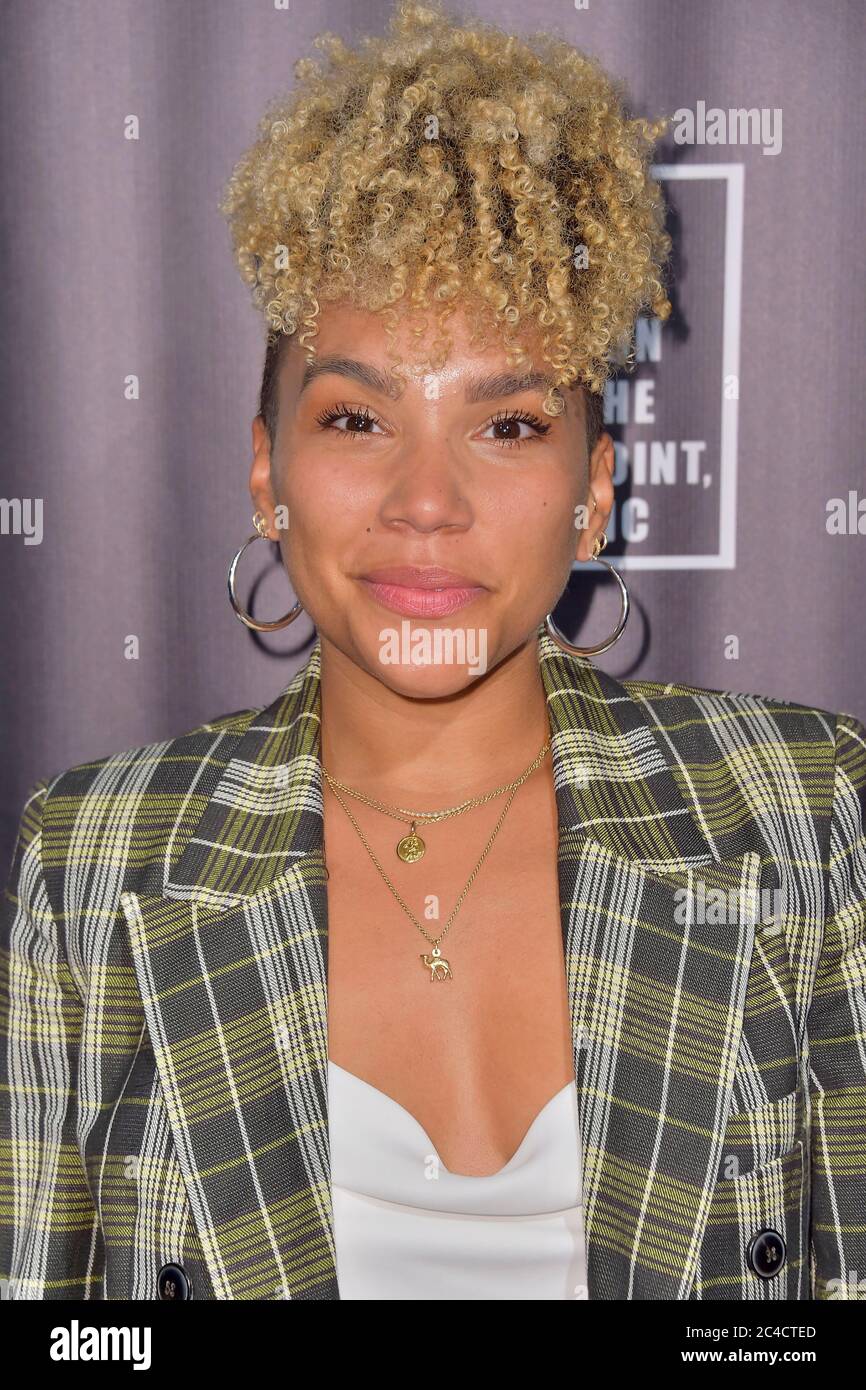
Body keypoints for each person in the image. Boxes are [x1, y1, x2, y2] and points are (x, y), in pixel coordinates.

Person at [2, 0, 864, 1302]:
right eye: (356, 416)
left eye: (505, 425)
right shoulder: (95, 853)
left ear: (593, 489)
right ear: (265, 470)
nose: (424, 500)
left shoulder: (806, 810)